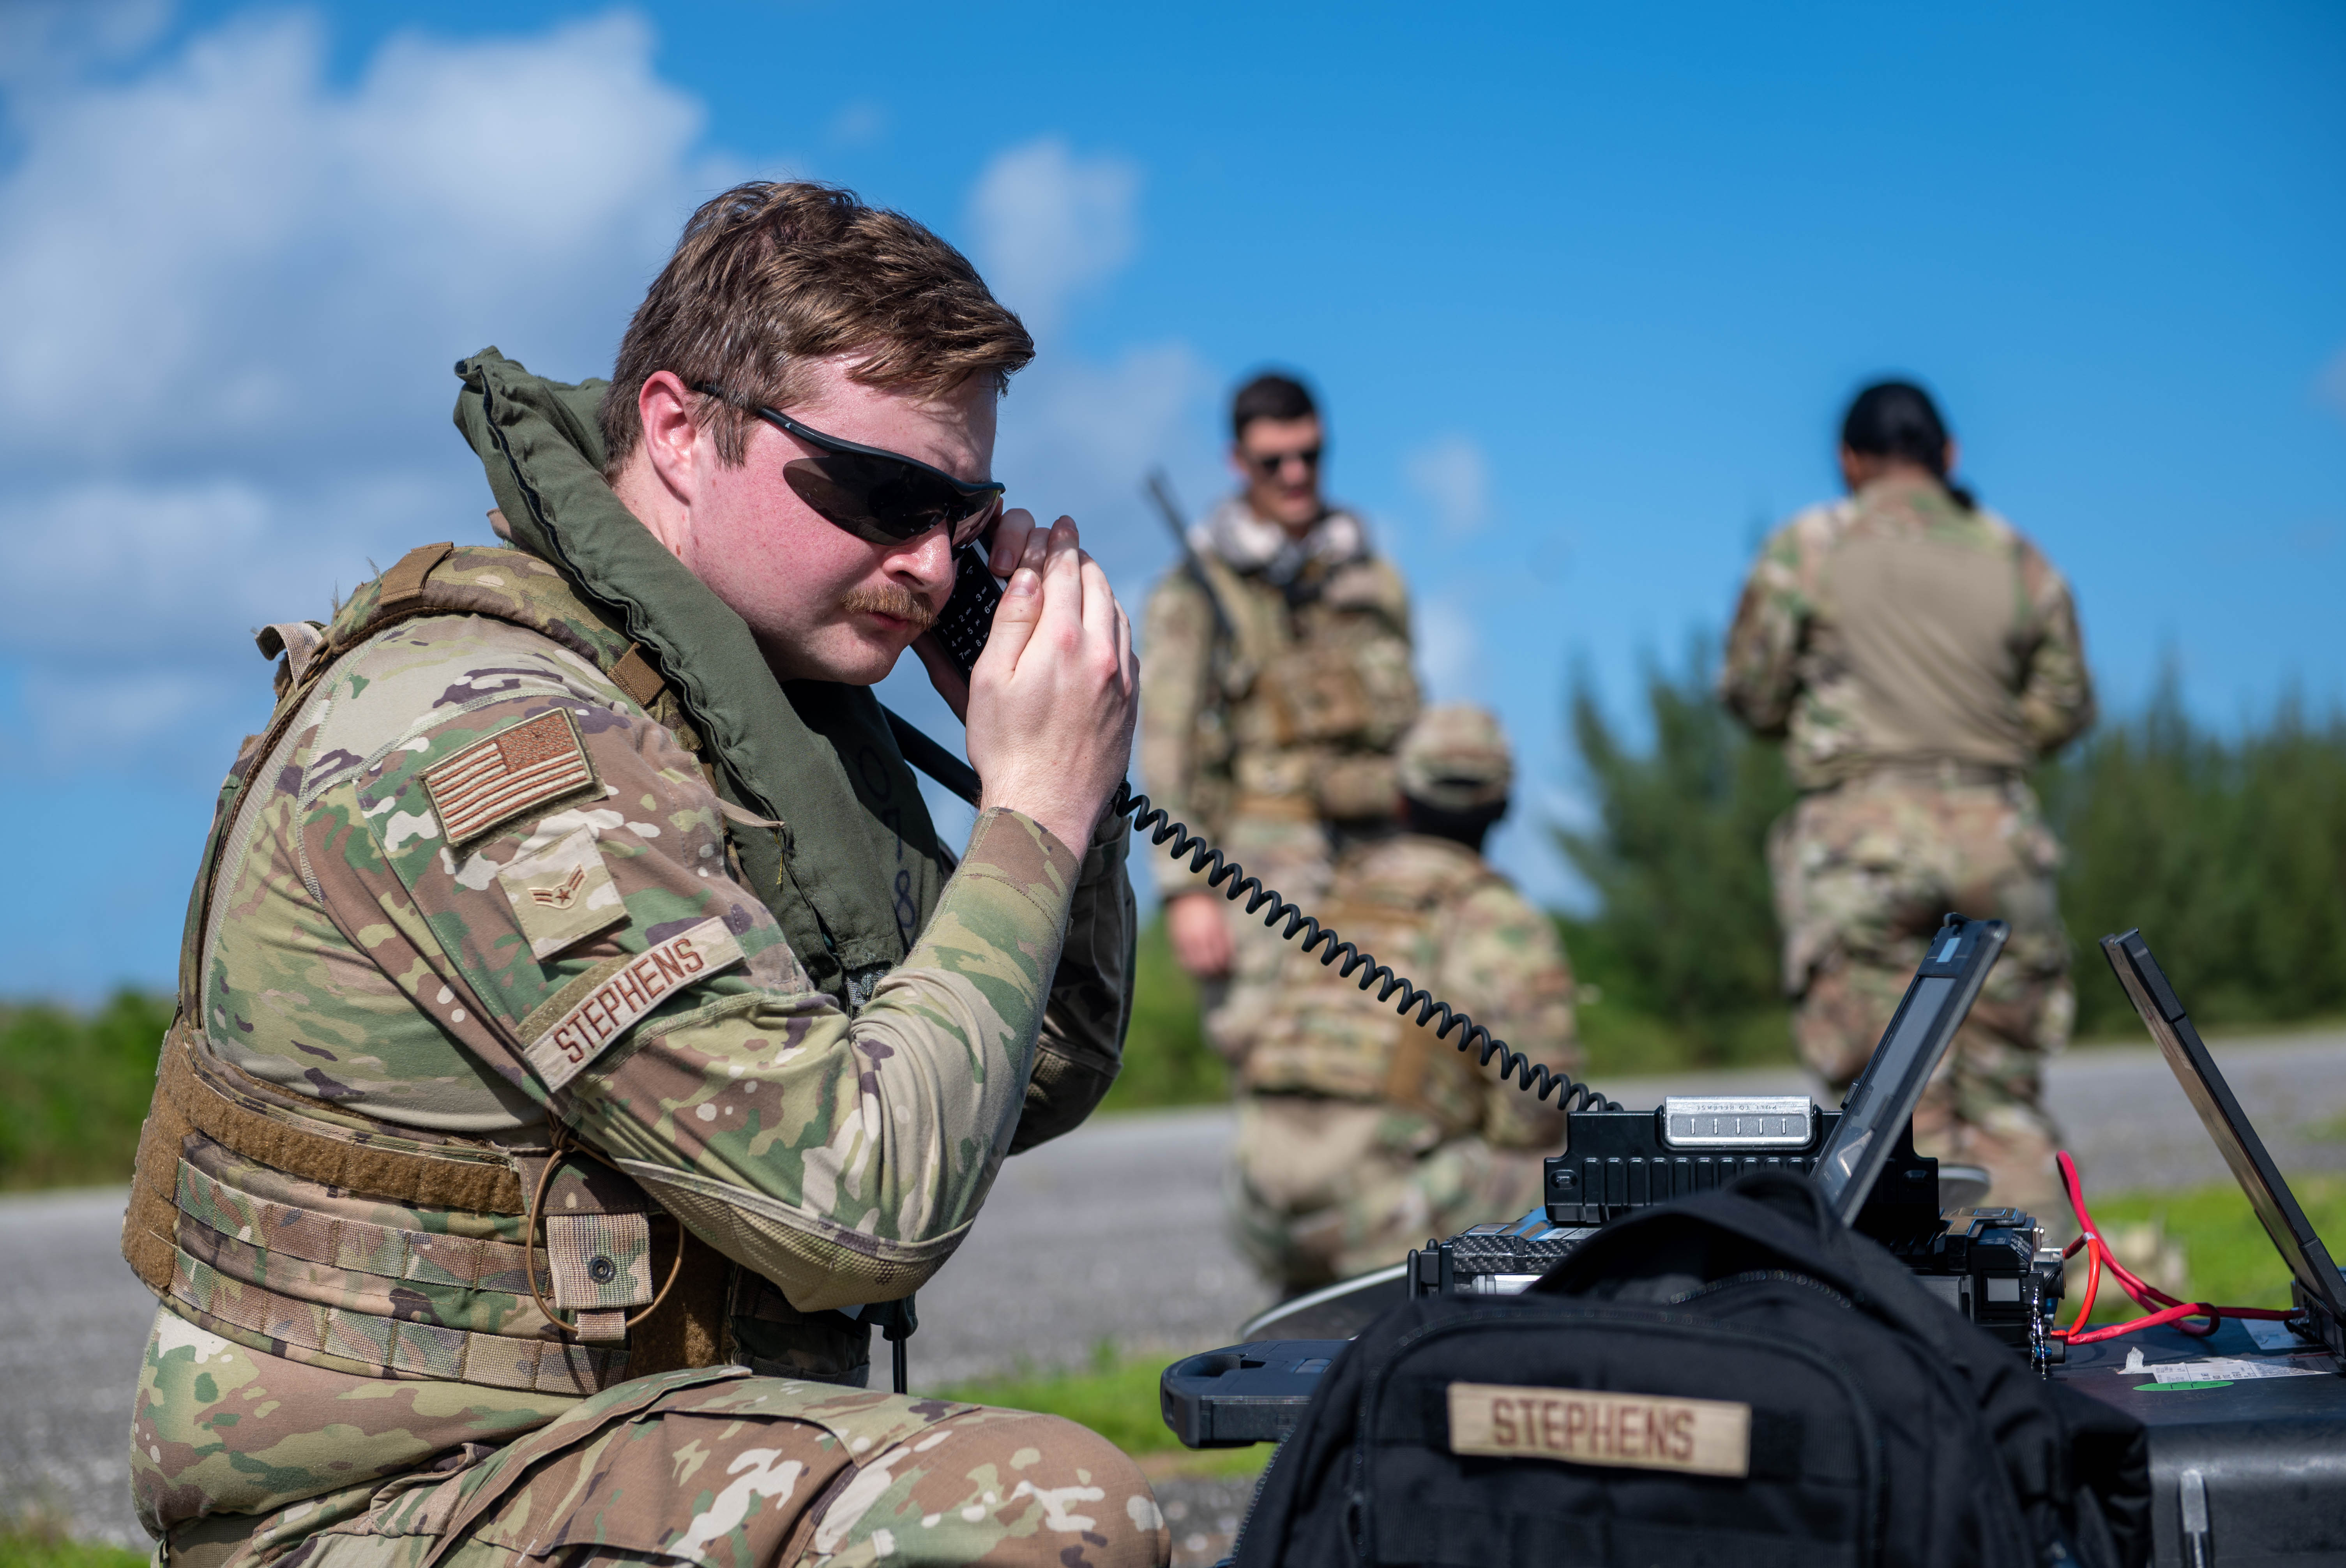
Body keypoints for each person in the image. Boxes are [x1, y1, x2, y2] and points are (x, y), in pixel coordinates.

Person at [121, 182, 1168, 1568]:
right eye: (879, 492)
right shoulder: (495, 740)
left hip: (603, 1457)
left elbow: (1021, 1075)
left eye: (961, 516)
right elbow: (853, 1210)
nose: (924, 562)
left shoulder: (746, 719)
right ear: (680, 431)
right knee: (1033, 1515)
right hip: (385, 1507)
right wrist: (1027, 809)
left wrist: (1064, 807)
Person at [1719, 379, 2096, 1221]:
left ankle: (1912, 1329)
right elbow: (2066, 701)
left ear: (1849, 461)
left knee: (1888, 1108)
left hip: (1863, 844)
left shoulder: (1809, 547)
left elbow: (1750, 689)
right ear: (1951, 455)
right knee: (2003, 1099)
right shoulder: (2014, 555)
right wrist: (1983, 748)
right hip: (1995, 838)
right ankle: (2047, 1314)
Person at [1224, 705, 1579, 1292]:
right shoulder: (1496, 917)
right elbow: (1539, 1108)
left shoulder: (1330, 897)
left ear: (1401, 801)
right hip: (1382, 1221)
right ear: (1504, 809)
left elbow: (1247, 1038)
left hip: (1261, 1212)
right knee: (1573, 1172)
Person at [1138, 372, 1420, 1062]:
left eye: (1310, 456)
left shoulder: (1373, 580)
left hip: (1383, 848)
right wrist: (1185, 891)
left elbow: (1415, 720)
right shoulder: (1194, 594)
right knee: (1278, 1062)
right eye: (1273, 462)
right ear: (1238, 463)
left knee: (1402, 1056)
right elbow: (1168, 749)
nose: (1296, 476)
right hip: (1263, 869)